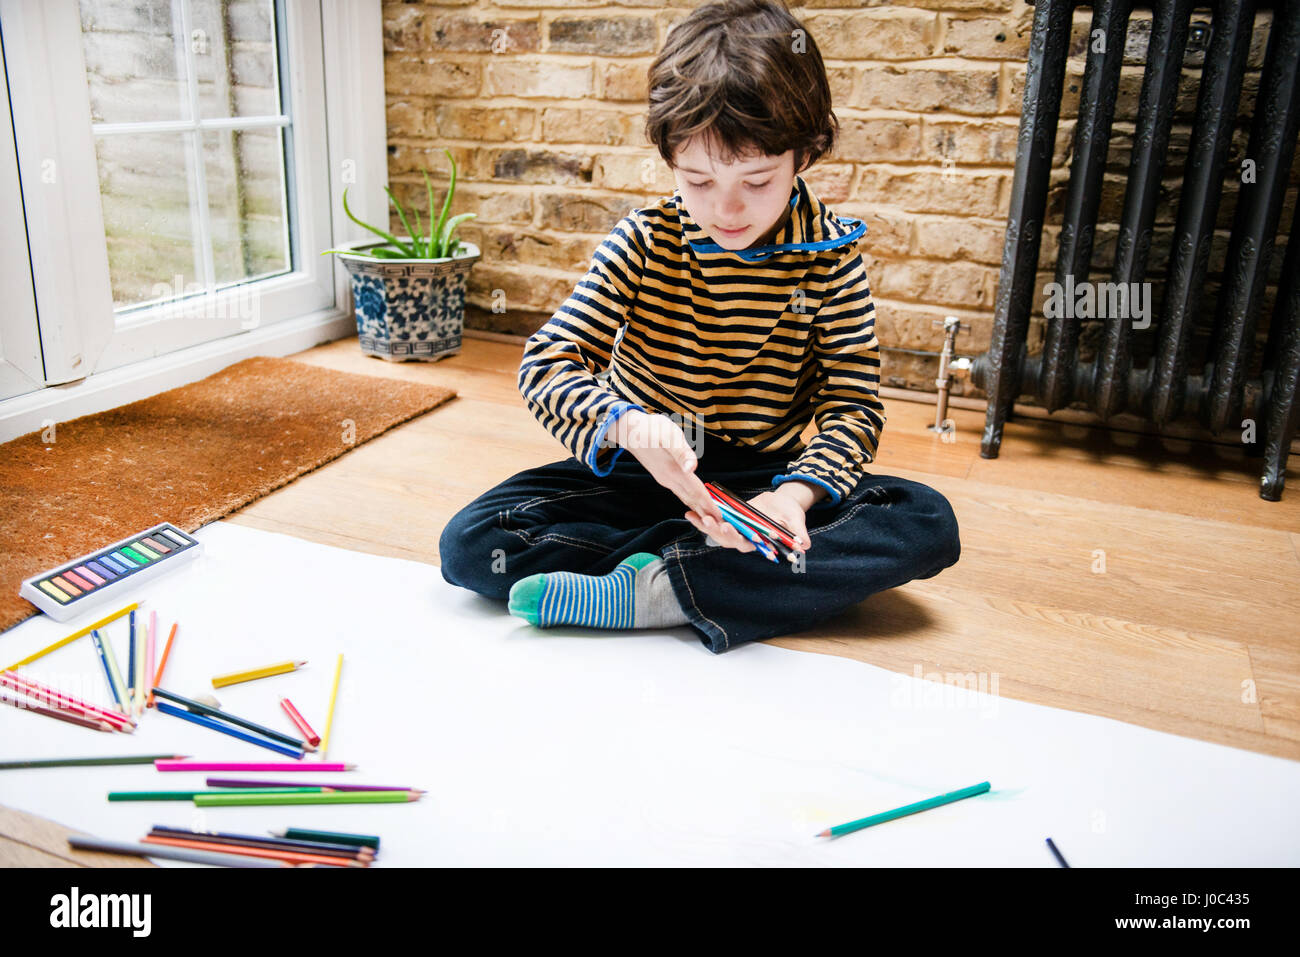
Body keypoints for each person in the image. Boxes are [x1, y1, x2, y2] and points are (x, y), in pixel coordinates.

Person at [439, 0, 960, 653]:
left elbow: (851, 407)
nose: (728, 209)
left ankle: (658, 588)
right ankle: (716, 567)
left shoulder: (830, 256)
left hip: (766, 480)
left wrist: (795, 498)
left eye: (758, 180)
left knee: (925, 522)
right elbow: (548, 362)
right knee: (472, 543)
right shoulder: (645, 241)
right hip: (646, 472)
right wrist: (628, 425)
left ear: (806, 152)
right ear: (670, 163)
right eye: (699, 181)